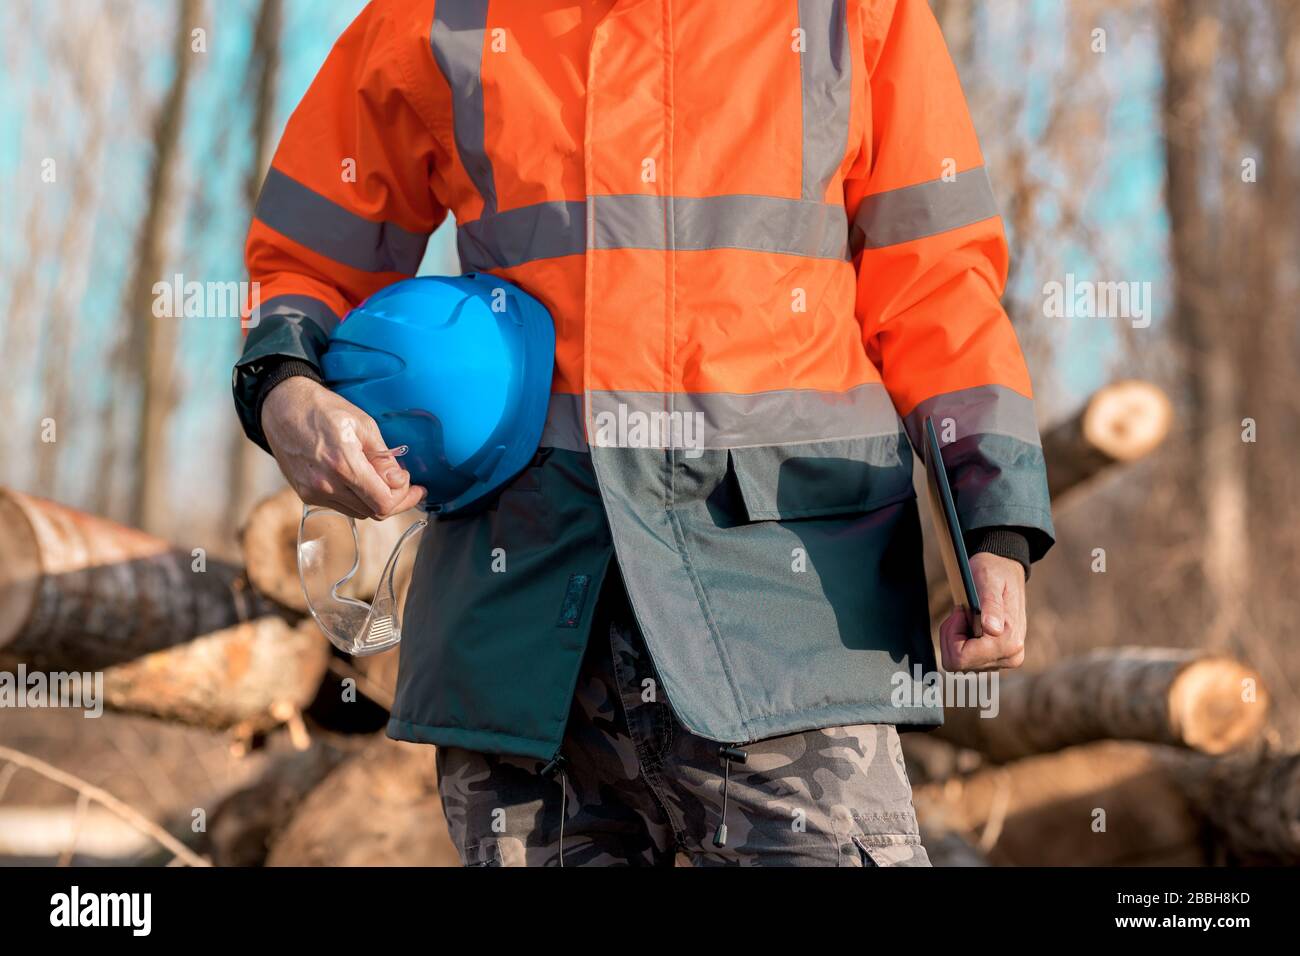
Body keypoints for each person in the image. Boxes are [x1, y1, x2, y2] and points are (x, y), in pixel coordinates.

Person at [233, 0, 1054, 867]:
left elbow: (934, 287)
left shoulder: (856, 13)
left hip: (791, 621)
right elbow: (305, 261)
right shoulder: (435, 16)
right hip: (523, 634)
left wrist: (993, 516)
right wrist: (285, 383)